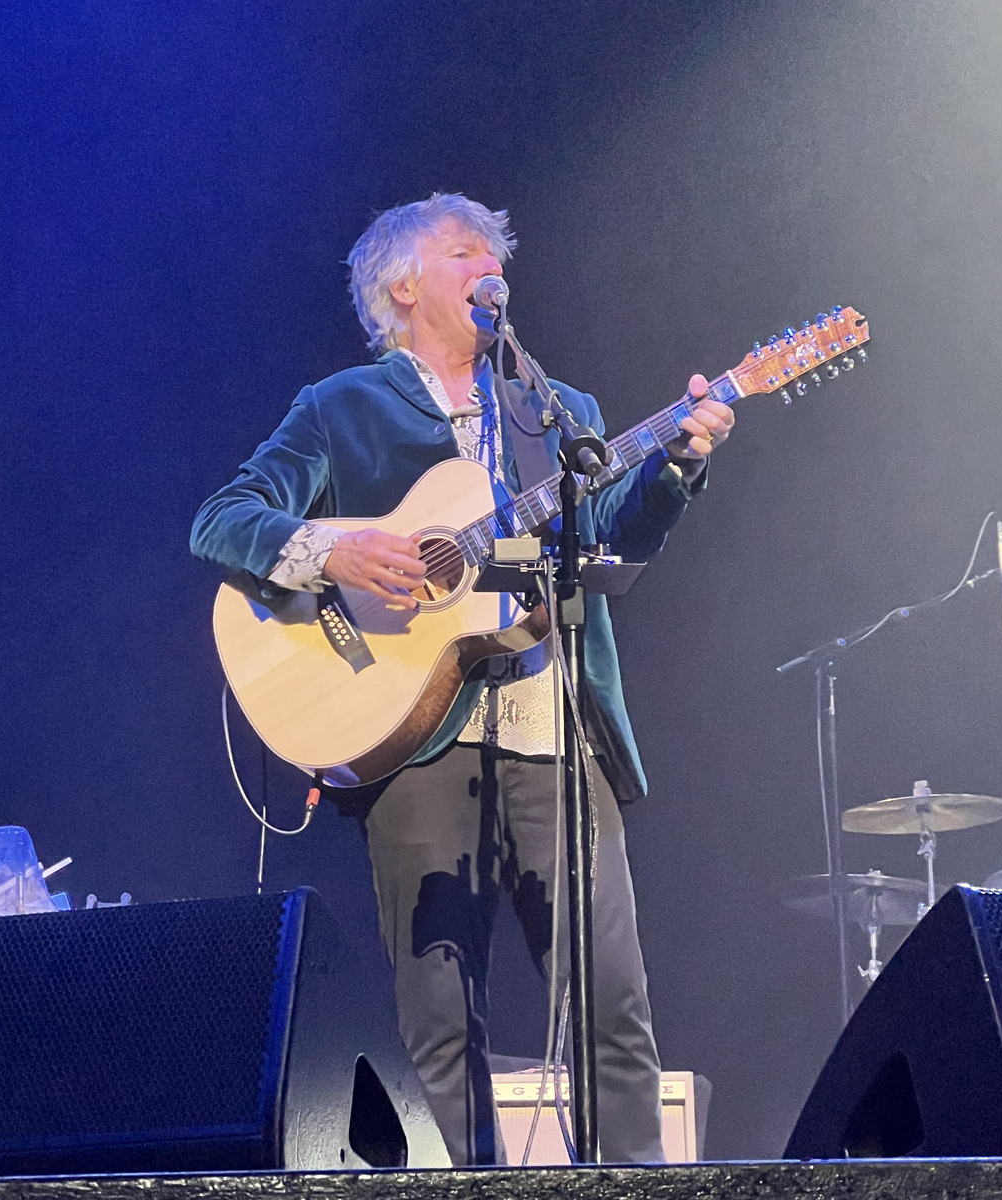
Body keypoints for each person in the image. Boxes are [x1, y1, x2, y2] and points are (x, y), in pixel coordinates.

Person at [190, 193, 734, 1165]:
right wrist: (336, 551)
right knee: (441, 1021)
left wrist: (680, 465)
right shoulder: (341, 407)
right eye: (462, 248)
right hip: (415, 734)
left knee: (614, 1002)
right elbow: (224, 517)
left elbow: (614, 536)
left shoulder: (557, 410)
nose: (492, 263)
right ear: (400, 284)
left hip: (558, 732)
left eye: (497, 251)